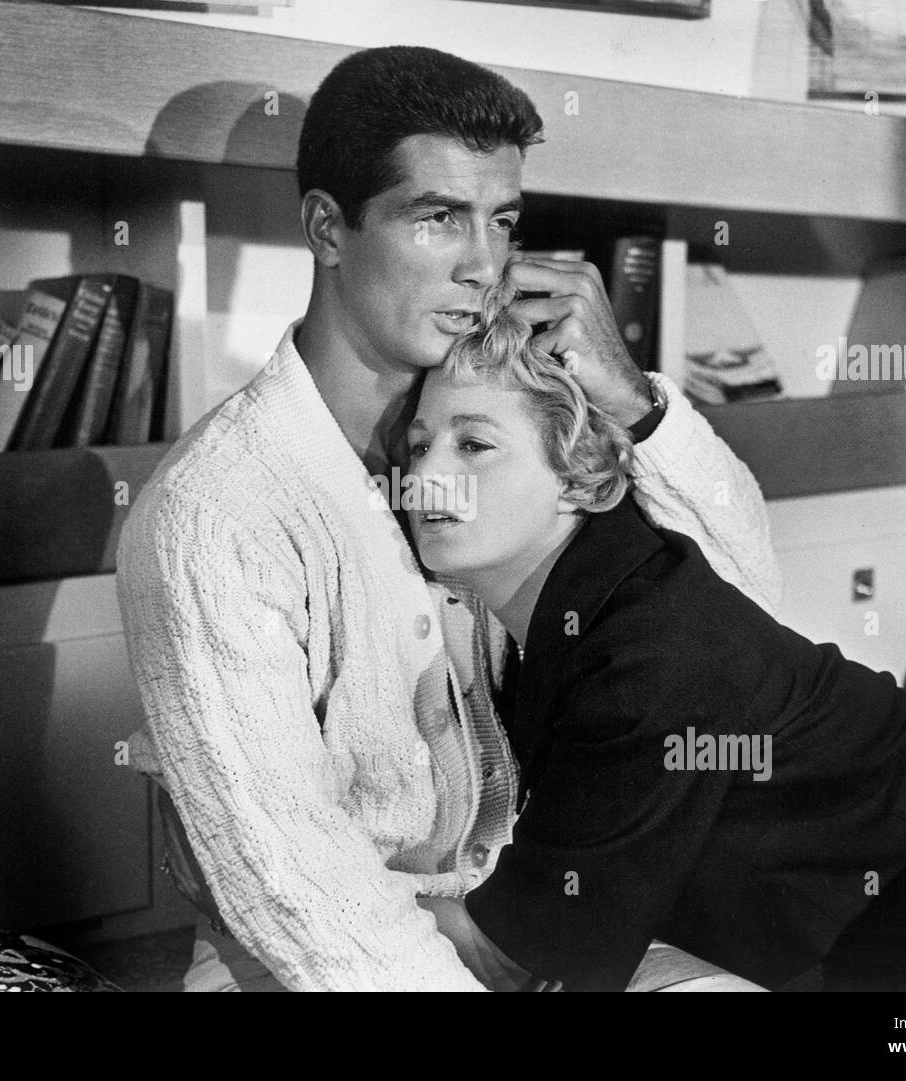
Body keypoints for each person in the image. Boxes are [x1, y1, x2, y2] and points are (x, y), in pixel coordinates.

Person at [115, 44, 780, 991]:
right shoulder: (214, 513)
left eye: (501, 221)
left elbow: (742, 617)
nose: (483, 265)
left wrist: (636, 402)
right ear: (328, 228)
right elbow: (296, 888)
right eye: (438, 219)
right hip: (318, 967)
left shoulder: (521, 428)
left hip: (532, 931)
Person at [406, 269, 906, 992]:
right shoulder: (578, 610)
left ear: (581, 480)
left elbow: (508, 954)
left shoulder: (645, 655)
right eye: (414, 446)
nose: (426, 477)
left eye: (474, 445)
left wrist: (321, 872)